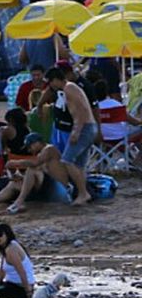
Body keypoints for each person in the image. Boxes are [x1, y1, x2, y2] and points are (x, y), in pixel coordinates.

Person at [46, 68, 95, 205]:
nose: (50, 85)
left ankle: (83, 193)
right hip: (88, 127)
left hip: (84, 128)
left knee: (67, 160)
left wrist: (76, 131)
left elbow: (81, 111)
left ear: (56, 80)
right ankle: (84, 193)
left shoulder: (69, 88)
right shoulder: (69, 88)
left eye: (50, 82)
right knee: (79, 164)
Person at [0, 222, 35, 298]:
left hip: (19, 287)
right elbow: (1, 275)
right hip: (11, 284)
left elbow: (22, 272)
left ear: (7, 234)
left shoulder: (11, 249)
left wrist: (28, 292)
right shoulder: (6, 248)